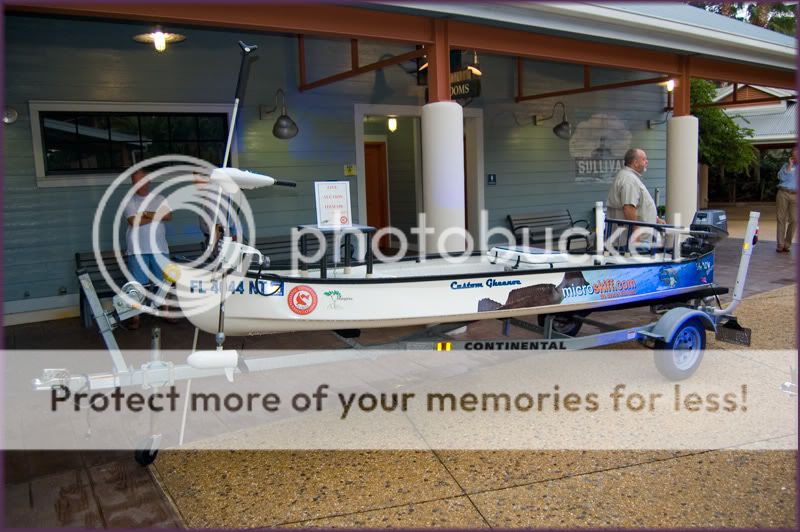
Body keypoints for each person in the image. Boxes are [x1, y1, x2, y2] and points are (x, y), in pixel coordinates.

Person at [123, 167, 173, 328]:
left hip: (159, 248)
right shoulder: (129, 201)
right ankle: (135, 317)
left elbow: (168, 216)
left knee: (162, 283)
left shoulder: (159, 198)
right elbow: (133, 221)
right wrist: (155, 215)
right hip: (137, 249)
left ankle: (166, 312)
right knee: (138, 285)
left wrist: (145, 214)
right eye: (136, 182)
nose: (140, 185)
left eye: (142, 181)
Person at [607, 148, 665, 250]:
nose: (647, 162)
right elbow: (629, 208)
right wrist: (636, 236)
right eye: (644, 159)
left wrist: (655, 219)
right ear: (635, 163)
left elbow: (638, 206)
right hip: (635, 242)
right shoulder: (629, 180)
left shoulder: (629, 177)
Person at [775, 146, 797, 252]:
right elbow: (781, 178)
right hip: (783, 193)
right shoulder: (786, 166)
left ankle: (787, 244)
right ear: (792, 155)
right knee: (781, 219)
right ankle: (780, 244)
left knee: (795, 220)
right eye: (795, 152)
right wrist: (789, 166)